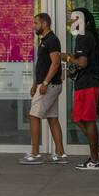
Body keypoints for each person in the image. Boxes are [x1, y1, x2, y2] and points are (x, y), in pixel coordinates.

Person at [22, 12, 68, 164]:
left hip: (50, 85)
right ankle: (61, 154)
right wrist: (35, 84)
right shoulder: (44, 40)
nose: (33, 26)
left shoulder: (52, 40)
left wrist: (45, 83)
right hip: (46, 84)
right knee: (52, 119)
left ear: (44, 24)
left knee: (34, 116)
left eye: (36, 23)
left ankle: (35, 154)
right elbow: (41, 65)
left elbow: (56, 63)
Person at [67, 8, 99, 171]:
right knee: (77, 118)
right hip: (89, 82)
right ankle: (97, 151)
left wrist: (67, 57)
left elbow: (82, 63)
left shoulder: (83, 36)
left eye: (74, 18)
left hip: (87, 83)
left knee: (88, 120)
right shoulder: (89, 35)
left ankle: (95, 159)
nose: (71, 21)